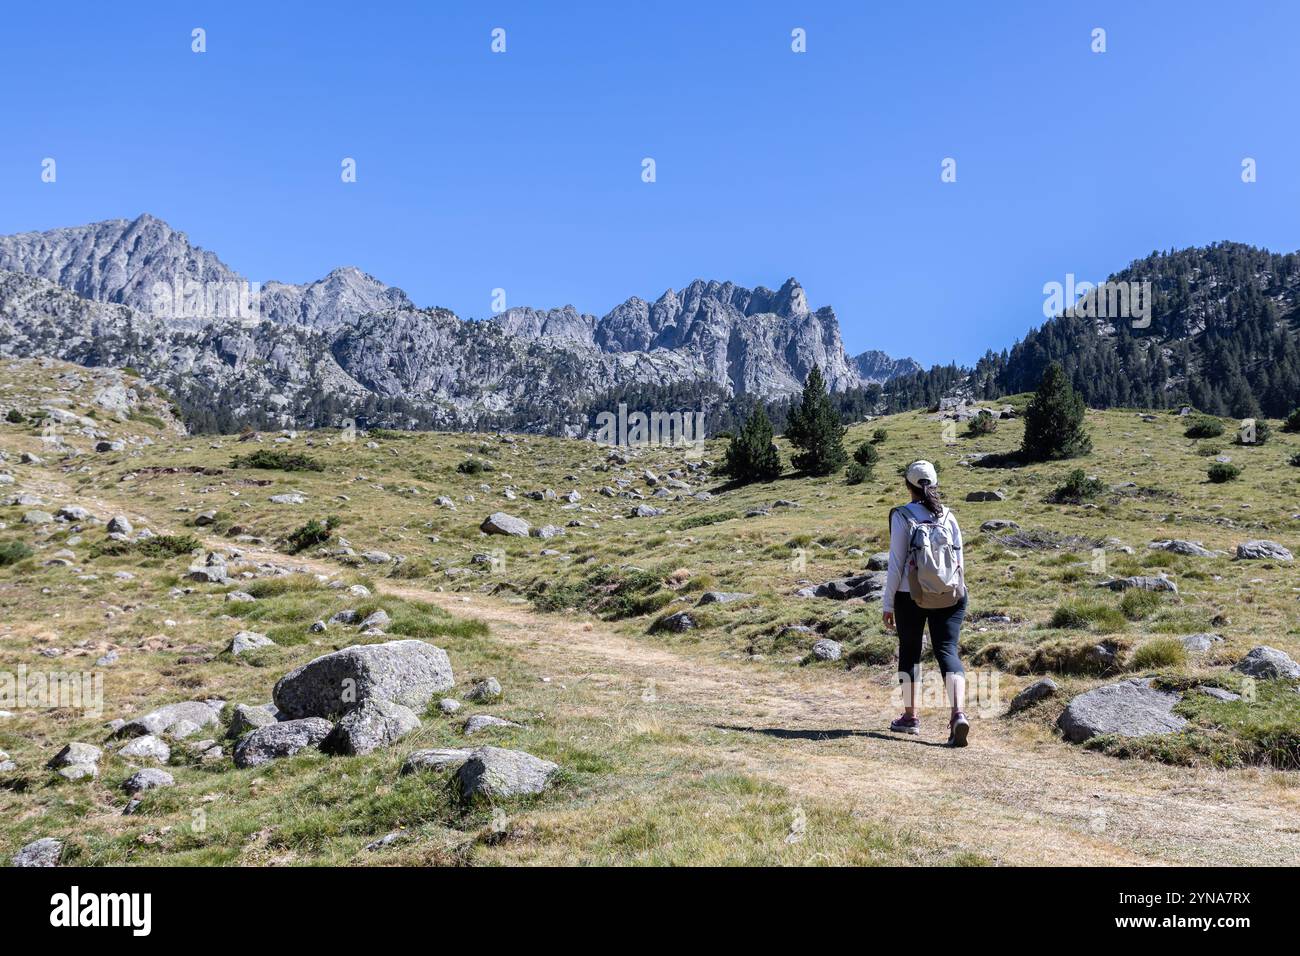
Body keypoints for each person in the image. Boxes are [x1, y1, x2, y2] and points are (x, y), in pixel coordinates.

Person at [881, 460, 970, 746]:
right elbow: (959, 560)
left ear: (908, 485)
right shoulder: (948, 516)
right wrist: (958, 591)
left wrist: (888, 604)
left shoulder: (902, 515)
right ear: (934, 485)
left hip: (911, 595)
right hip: (950, 594)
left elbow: (895, 564)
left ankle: (910, 717)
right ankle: (958, 714)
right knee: (947, 650)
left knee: (910, 651)